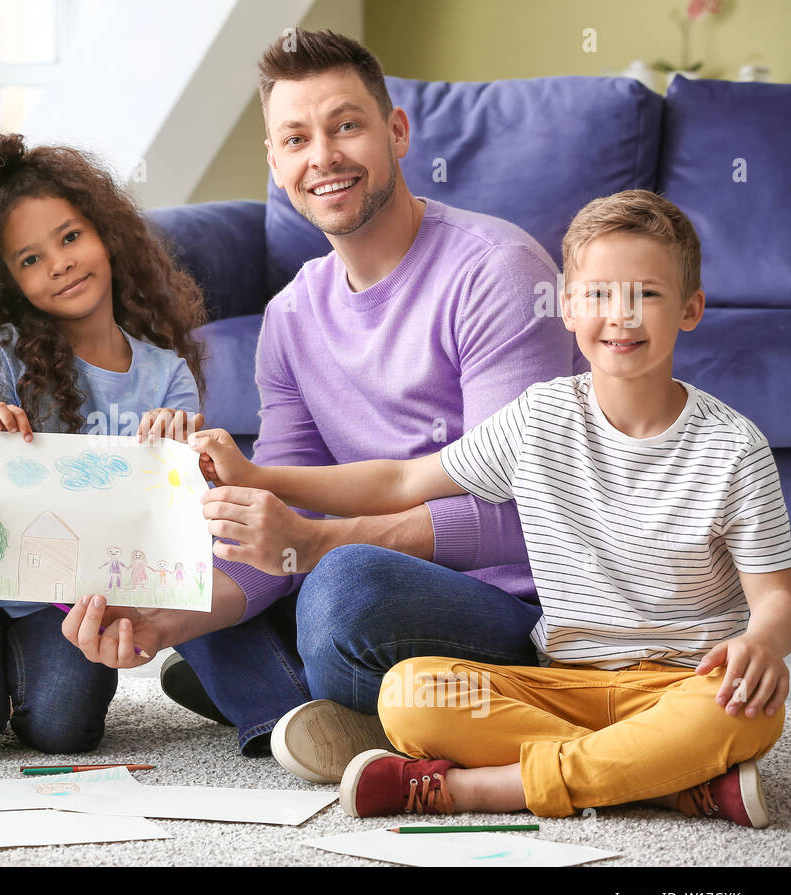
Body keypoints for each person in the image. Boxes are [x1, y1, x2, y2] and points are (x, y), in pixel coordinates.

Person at [61, 29, 581, 776]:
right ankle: (321, 714)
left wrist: (320, 543)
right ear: (275, 163)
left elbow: (523, 517)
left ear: (395, 132)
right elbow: (272, 529)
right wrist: (160, 617)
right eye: (296, 138)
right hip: (354, 582)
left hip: (510, 605)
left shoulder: (497, 271)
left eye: (346, 126)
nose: (323, 157)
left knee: (344, 587)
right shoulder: (293, 316)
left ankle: (285, 696)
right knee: (195, 546)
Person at [190, 190, 791, 827]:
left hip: (685, 684)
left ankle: (477, 790)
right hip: (562, 684)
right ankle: (662, 782)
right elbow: (400, 480)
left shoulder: (733, 448)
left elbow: (775, 598)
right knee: (408, 696)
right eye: (597, 295)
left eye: (646, 294)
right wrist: (260, 476)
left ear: (690, 308)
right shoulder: (541, 418)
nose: (620, 316)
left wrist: (761, 641)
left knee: (751, 711)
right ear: (566, 307)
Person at [0, 133, 207, 759]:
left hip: (71, 594)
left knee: (65, 730)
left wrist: (188, 463)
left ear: (106, 235)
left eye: (69, 238)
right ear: (8, 280)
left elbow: (177, 526)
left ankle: (7, 664)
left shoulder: (167, 375)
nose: (59, 264)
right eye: (29, 259)